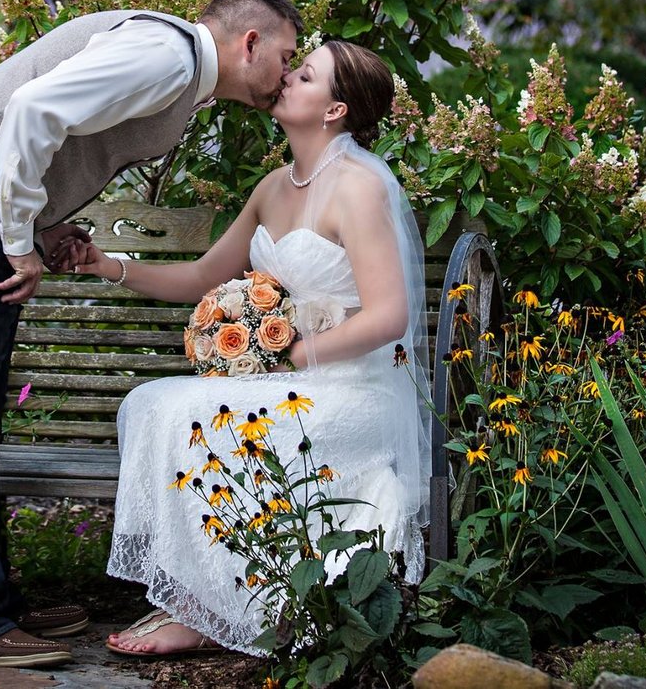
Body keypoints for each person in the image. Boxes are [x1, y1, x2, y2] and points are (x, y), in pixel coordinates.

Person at [0, 0, 302, 669]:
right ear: (250, 43)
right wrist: (19, 240)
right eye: (286, 58)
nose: (286, 76)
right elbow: (33, 109)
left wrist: (43, 225)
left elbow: (50, 131)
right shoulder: (168, 56)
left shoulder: (176, 65)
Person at [58, 40, 431, 657]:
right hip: (285, 382)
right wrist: (107, 265)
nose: (287, 79)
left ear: (335, 109)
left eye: (305, 75)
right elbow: (202, 277)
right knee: (152, 402)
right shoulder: (274, 187)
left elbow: (390, 316)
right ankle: (202, 597)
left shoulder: (360, 188)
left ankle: (209, 611)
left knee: (191, 413)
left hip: (351, 389)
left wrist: (294, 355)